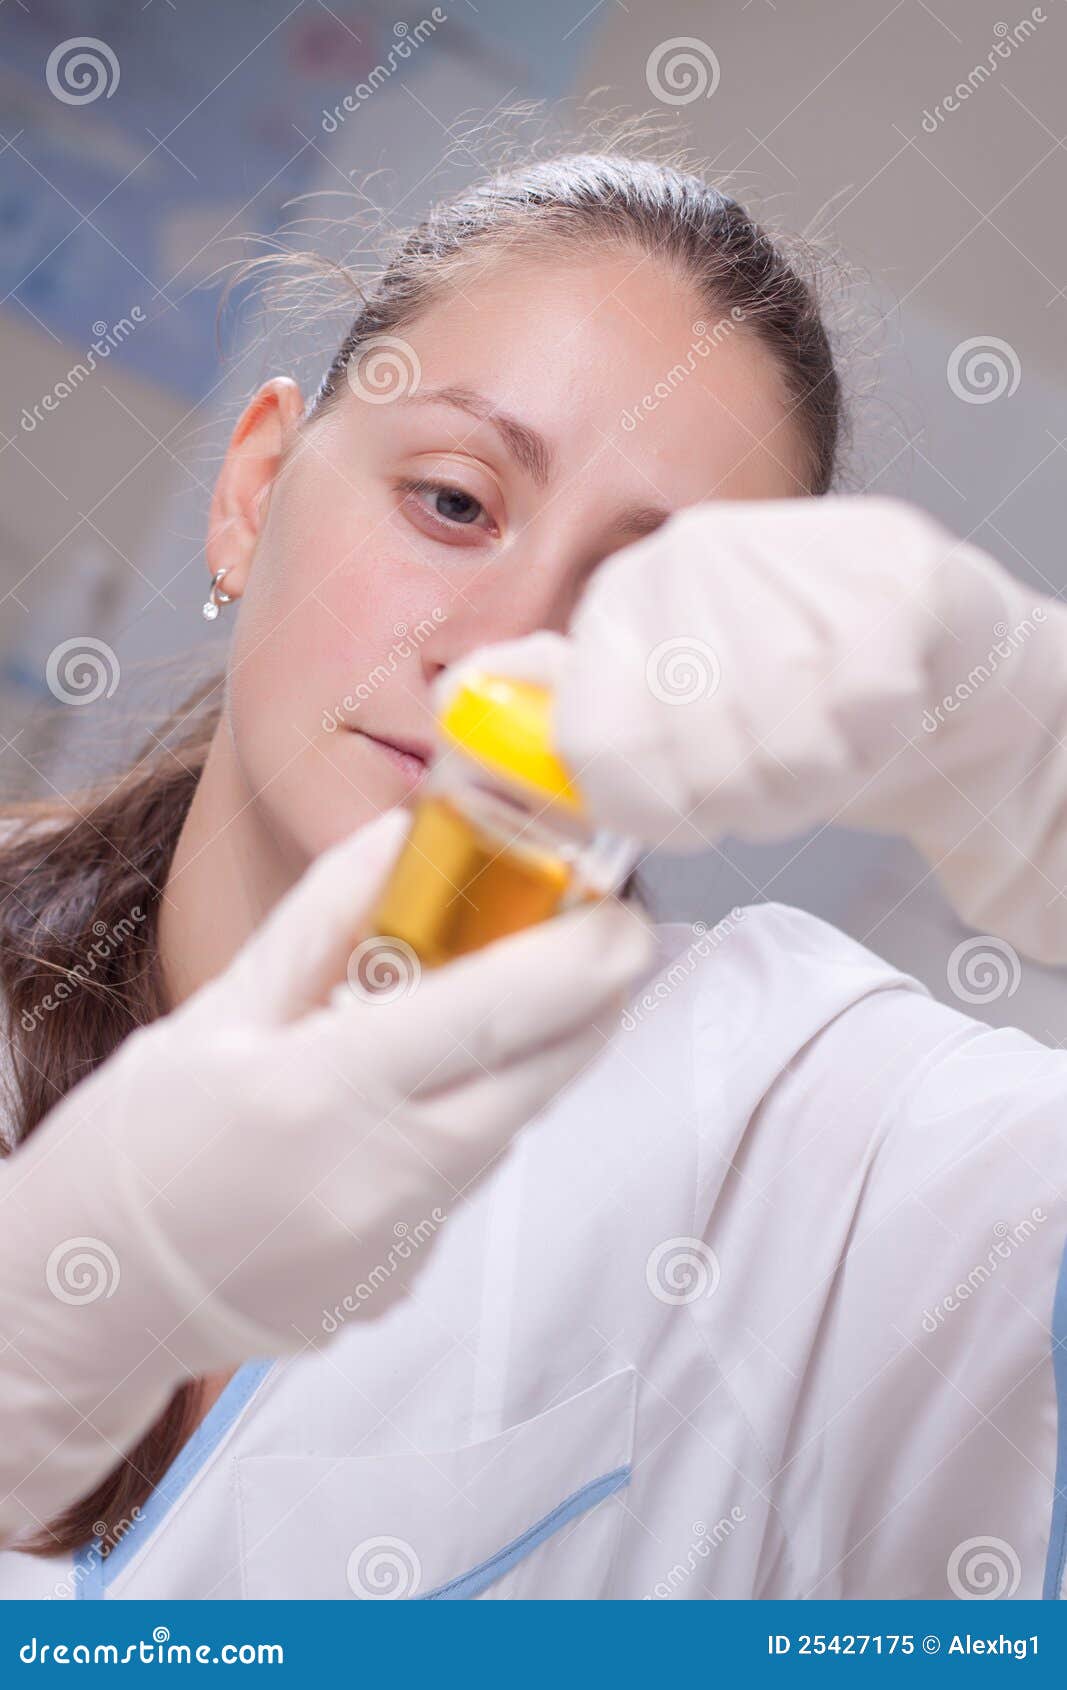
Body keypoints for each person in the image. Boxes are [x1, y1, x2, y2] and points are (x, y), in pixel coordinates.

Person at [0, 150, 1065, 1601]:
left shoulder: (800, 1124)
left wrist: (1033, 764)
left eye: (639, 599)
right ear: (251, 492)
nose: (502, 648)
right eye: (451, 500)